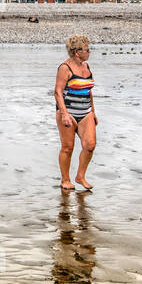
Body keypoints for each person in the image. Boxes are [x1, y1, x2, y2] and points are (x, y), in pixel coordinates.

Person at [53, 35, 98, 191]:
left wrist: (93, 111)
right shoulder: (65, 68)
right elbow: (58, 93)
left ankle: (80, 176)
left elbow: (88, 91)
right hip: (68, 111)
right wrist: (64, 114)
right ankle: (65, 180)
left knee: (90, 145)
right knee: (68, 147)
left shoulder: (87, 67)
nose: (89, 52)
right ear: (77, 52)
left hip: (85, 112)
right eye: (87, 49)